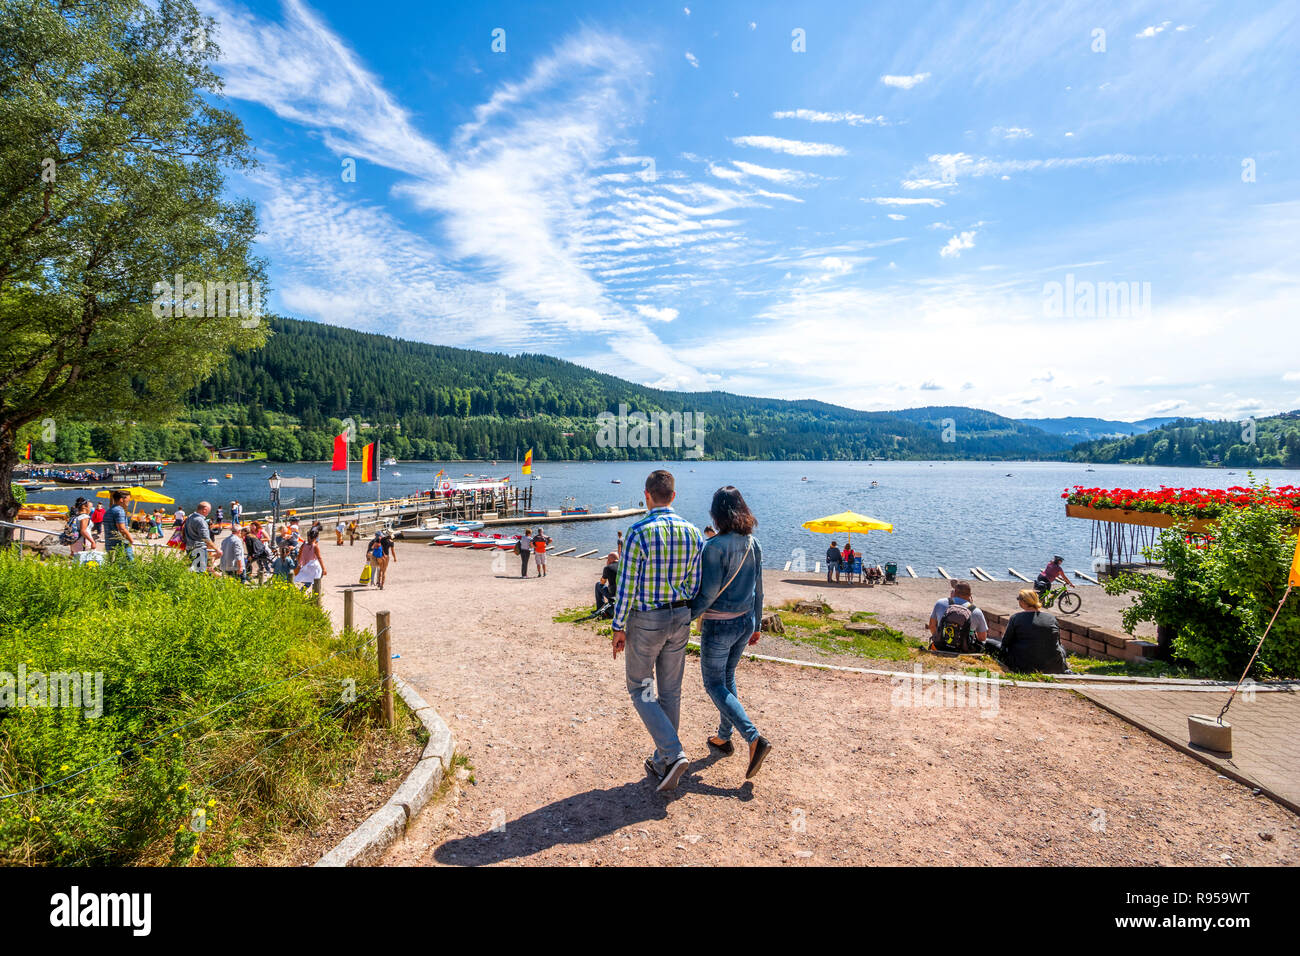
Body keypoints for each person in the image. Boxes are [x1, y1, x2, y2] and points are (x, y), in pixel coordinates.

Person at [611, 470, 704, 793]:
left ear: (647, 496)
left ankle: (672, 752)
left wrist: (618, 625)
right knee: (671, 691)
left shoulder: (638, 532)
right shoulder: (694, 533)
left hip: (647, 618)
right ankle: (665, 760)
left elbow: (626, 586)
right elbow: (695, 583)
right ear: (673, 497)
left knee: (639, 688)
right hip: (680, 616)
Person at [690, 486, 772, 780]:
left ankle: (753, 738)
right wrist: (758, 624)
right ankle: (724, 737)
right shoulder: (754, 544)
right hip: (745, 621)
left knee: (713, 684)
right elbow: (759, 590)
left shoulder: (713, 547)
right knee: (727, 679)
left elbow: (708, 594)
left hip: (720, 625)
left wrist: (685, 616)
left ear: (718, 513)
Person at [985, 589, 1072, 674]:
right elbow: (1058, 642)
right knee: (1061, 648)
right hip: (1052, 665)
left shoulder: (1016, 618)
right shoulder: (1051, 618)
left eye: (1019, 599)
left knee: (989, 643)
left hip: (1023, 665)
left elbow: (1005, 642)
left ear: (1023, 602)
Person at [927, 580, 989, 651]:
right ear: (970, 595)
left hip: (940, 647)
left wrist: (938, 638)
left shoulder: (940, 603)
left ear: (955, 592)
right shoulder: (976, 611)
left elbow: (931, 626)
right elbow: (982, 637)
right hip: (963, 651)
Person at [182, 501, 218, 573]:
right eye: (208, 511)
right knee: (199, 571)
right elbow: (205, 538)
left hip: (189, 547)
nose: (208, 513)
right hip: (199, 549)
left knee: (194, 569)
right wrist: (217, 549)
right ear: (204, 510)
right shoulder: (201, 521)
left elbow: (183, 529)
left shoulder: (190, 517)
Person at [103, 489, 135, 561]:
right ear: (121, 499)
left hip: (109, 544)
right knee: (129, 566)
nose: (129, 502)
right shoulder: (119, 510)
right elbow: (122, 529)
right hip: (121, 545)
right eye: (128, 500)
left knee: (114, 566)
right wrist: (131, 540)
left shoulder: (109, 510)